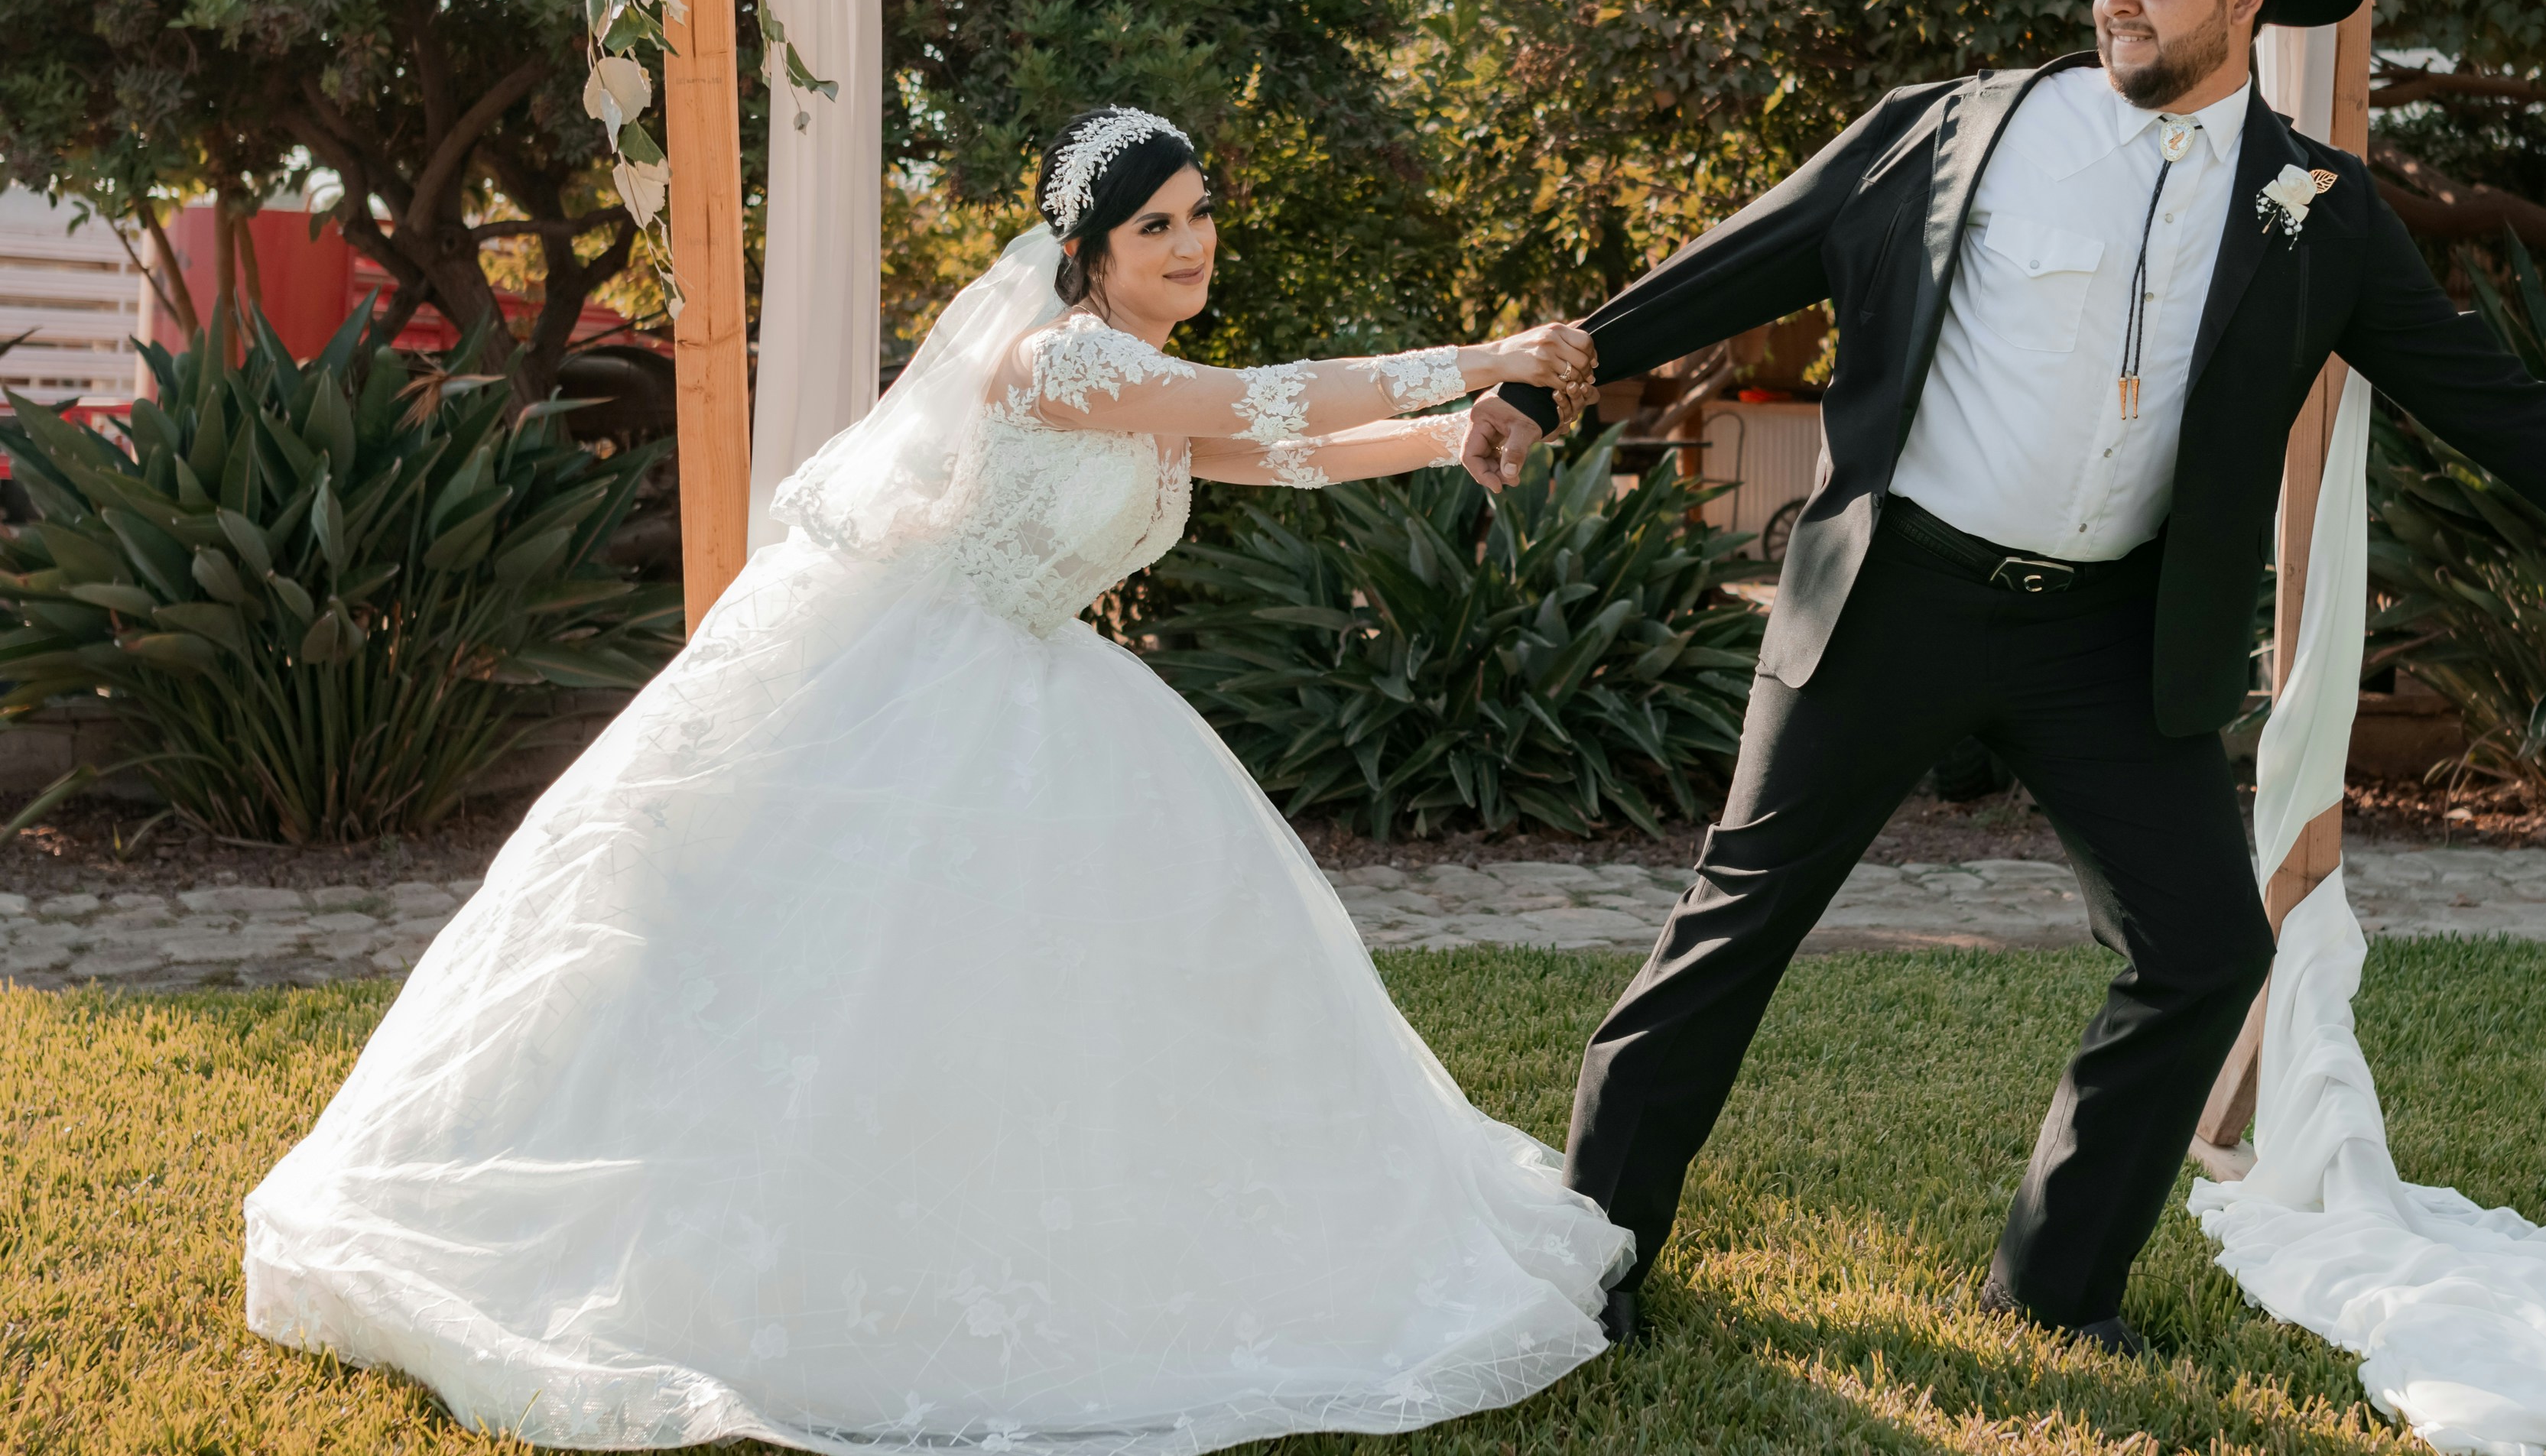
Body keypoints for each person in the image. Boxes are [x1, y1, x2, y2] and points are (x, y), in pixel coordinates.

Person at [1462, 0, 2546, 1356]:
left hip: (2109, 638)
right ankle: (1581, 1265)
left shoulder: (2313, 208)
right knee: (1735, 922)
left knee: (2204, 950)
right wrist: (1541, 381)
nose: (2116, 1)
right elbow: (1749, 254)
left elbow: (2497, 402)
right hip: (1892, 596)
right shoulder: (1955, 130)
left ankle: (2054, 1290)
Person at [245, 106, 1629, 1454]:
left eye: (1200, 214)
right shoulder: (1060, 362)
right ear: (1088, 246)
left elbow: (1270, 445)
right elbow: (1251, 400)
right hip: (917, 689)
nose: (1191, 242)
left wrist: (1451, 435)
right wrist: (1488, 355)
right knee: (826, 985)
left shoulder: (1131, 373)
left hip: (1036, 682)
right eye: (1157, 224)